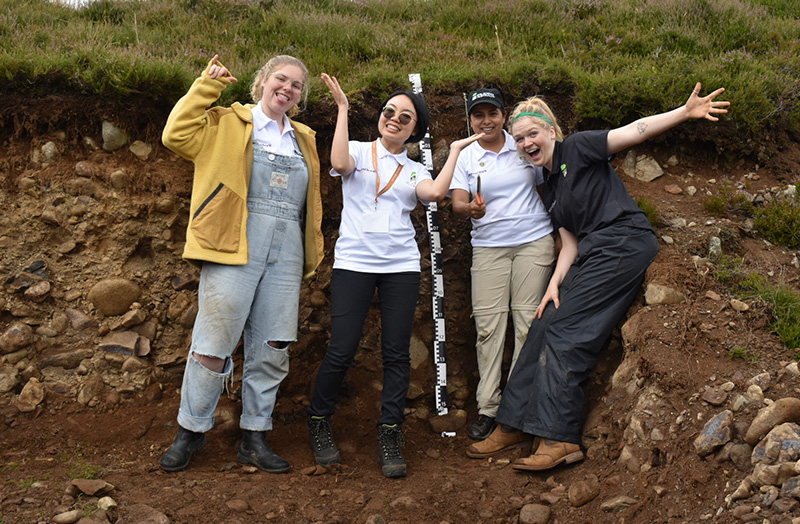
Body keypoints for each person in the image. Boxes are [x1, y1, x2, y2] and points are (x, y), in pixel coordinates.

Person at [466, 83, 729, 471]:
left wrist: (683, 112)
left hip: (624, 242)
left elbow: (634, 130)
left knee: (566, 333)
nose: (526, 143)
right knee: (542, 324)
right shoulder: (551, 184)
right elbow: (569, 244)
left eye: (532, 134)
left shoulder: (579, 147)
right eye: (519, 139)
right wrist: (554, 284)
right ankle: (514, 423)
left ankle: (559, 438)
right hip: (591, 251)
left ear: (551, 132)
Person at [159, 54, 324, 473]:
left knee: (273, 346)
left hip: (287, 250)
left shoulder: (304, 137)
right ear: (262, 81)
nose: (287, 89)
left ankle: (255, 436)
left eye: (296, 85)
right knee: (213, 343)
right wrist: (206, 86)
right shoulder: (226, 123)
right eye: (280, 80)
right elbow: (175, 135)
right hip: (232, 241)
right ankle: (190, 433)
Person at [305, 74, 462, 478]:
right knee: (341, 348)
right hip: (355, 263)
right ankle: (319, 421)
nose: (394, 119)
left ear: (415, 130)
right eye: (389, 112)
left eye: (405, 117)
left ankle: (390, 432)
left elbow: (433, 195)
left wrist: (456, 152)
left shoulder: (414, 171)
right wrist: (342, 109)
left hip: (400, 267)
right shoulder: (357, 150)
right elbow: (338, 164)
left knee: (397, 353)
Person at [442, 88, 555, 441]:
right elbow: (457, 203)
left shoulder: (521, 144)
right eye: (479, 115)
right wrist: (471, 210)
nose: (486, 120)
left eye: (493, 113)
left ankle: (517, 408)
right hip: (488, 246)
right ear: (470, 119)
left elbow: (544, 186)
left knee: (525, 324)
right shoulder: (465, 154)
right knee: (488, 328)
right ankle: (489, 407)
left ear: (504, 116)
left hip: (534, 242)